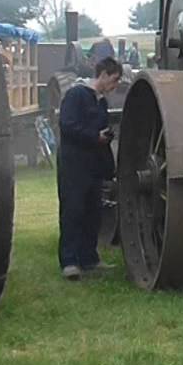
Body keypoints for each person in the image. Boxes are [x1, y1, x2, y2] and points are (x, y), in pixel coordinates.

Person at [57, 57, 122, 280]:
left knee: (93, 213)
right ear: (103, 74)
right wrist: (95, 136)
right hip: (74, 164)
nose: (114, 86)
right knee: (73, 211)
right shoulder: (76, 95)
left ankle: (89, 258)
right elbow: (67, 126)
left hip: (93, 165)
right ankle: (69, 261)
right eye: (114, 80)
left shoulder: (101, 102)